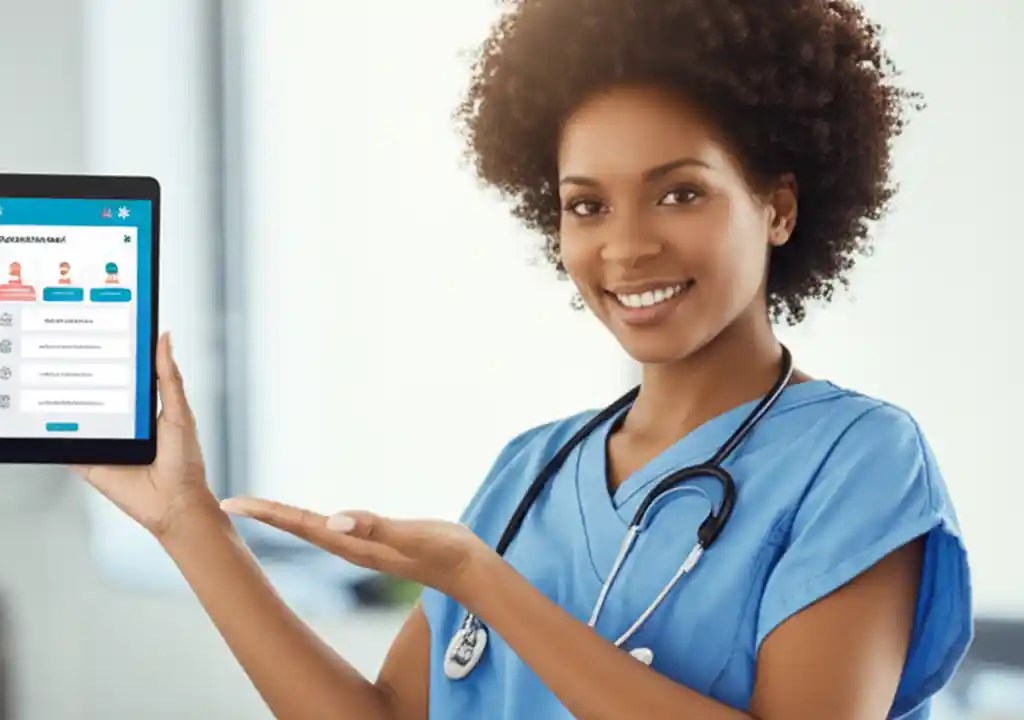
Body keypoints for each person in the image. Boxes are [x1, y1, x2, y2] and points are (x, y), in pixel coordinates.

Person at [75, 0, 973, 717]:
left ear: (777, 208)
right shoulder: (534, 471)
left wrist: (484, 584)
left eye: (680, 192)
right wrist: (188, 522)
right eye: (587, 206)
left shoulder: (861, 462)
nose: (627, 249)